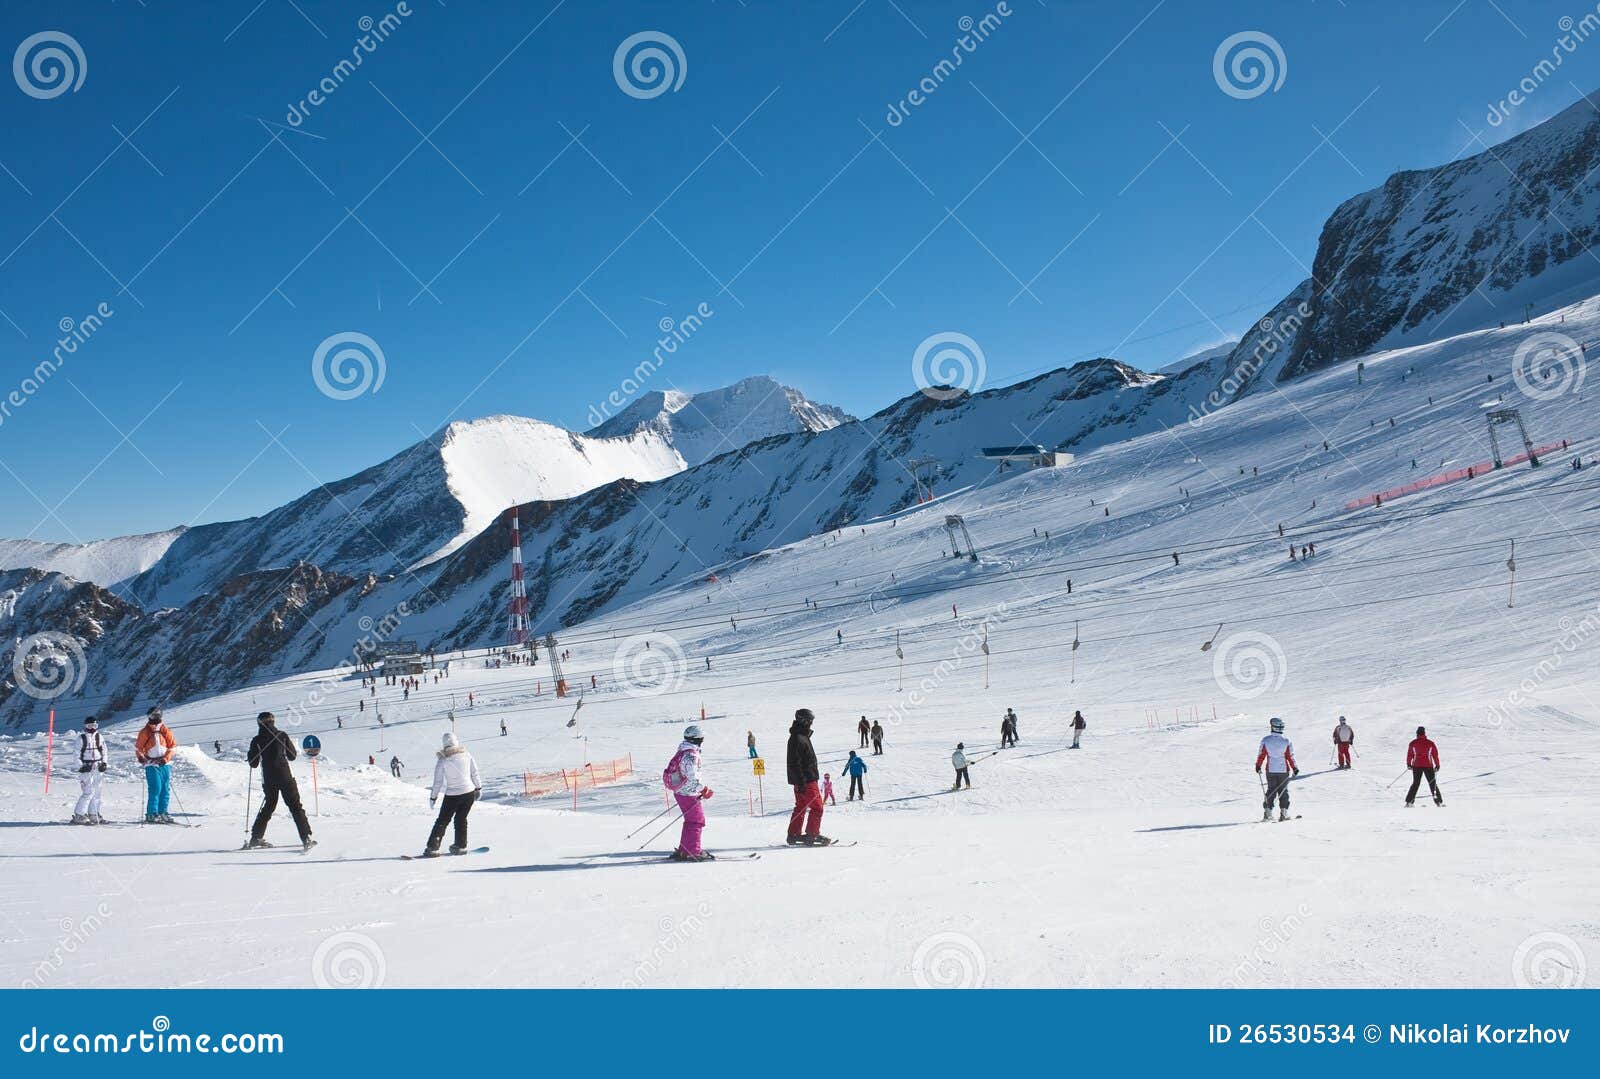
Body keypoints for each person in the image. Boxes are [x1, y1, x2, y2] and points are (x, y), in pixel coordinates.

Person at [248, 712, 315, 850]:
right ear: (273, 721)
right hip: (285, 777)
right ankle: (306, 838)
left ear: (259, 723)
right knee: (296, 807)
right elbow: (292, 756)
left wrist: (251, 755)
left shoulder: (256, 740)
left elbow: (253, 763)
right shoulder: (282, 735)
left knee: (268, 807)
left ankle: (255, 838)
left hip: (269, 779)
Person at [425, 732, 483, 856]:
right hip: (469, 793)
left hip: (452, 795)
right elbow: (475, 773)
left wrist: (433, 797)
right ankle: (461, 845)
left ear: (444, 744)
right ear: (456, 741)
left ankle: (433, 847)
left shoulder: (443, 760)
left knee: (443, 820)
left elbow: (438, 782)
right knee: (461, 819)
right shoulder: (467, 755)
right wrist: (478, 787)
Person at [662, 725, 713, 862]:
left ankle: (685, 850)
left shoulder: (683, 750)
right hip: (687, 792)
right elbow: (692, 776)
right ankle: (692, 851)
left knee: (691, 820)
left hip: (681, 791)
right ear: (698, 739)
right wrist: (703, 790)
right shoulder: (691, 755)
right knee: (697, 821)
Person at [786, 708, 832, 845]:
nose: (811, 723)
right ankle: (812, 834)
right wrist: (801, 782)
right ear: (804, 720)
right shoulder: (798, 738)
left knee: (800, 807)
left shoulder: (800, 736)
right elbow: (795, 762)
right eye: (810, 720)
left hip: (802, 780)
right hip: (806, 780)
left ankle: (793, 834)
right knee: (817, 808)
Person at [134, 708, 177, 823]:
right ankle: (151, 814)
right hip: (151, 764)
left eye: (157, 715)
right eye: (153, 716)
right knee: (155, 788)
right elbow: (139, 748)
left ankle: (162, 812)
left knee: (165, 789)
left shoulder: (166, 730)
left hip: (164, 764)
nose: (155, 718)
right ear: (149, 717)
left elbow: (172, 747)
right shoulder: (145, 731)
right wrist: (142, 759)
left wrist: (165, 759)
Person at [1254, 717, 1298, 822]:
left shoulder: (1266, 740)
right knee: (1283, 791)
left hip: (1271, 770)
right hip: (1283, 770)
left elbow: (1261, 754)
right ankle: (1284, 813)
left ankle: (1268, 813)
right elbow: (1290, 756)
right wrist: (1294, 767)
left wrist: (1258, 765)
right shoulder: (1286, 741)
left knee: (1271, 790)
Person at [72, 715, 108, 825]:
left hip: (97, 767)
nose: (92, 728)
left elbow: (104, 751)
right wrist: (81, 766)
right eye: (90, 725)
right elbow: (76, 755)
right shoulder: (81, 738)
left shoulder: (99, 737)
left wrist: (104, 763)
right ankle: (79, 815)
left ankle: (94, 814)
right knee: (88, 792)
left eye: (94, 725)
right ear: (85, 726)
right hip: (86, 768)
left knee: (97, 792)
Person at [1405, 726, 1444, 807]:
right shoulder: (1430, 743)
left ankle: (1409, 802)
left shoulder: (1413, 743)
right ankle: (1439, 802)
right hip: (1428, 766)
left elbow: (1410, 755)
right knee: (1432, 783)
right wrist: (1437, 765)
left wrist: (1409, 764)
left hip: (1417, 765)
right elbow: (1435, 755)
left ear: (1417, 733)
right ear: (1424, 733)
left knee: (1415, 783)